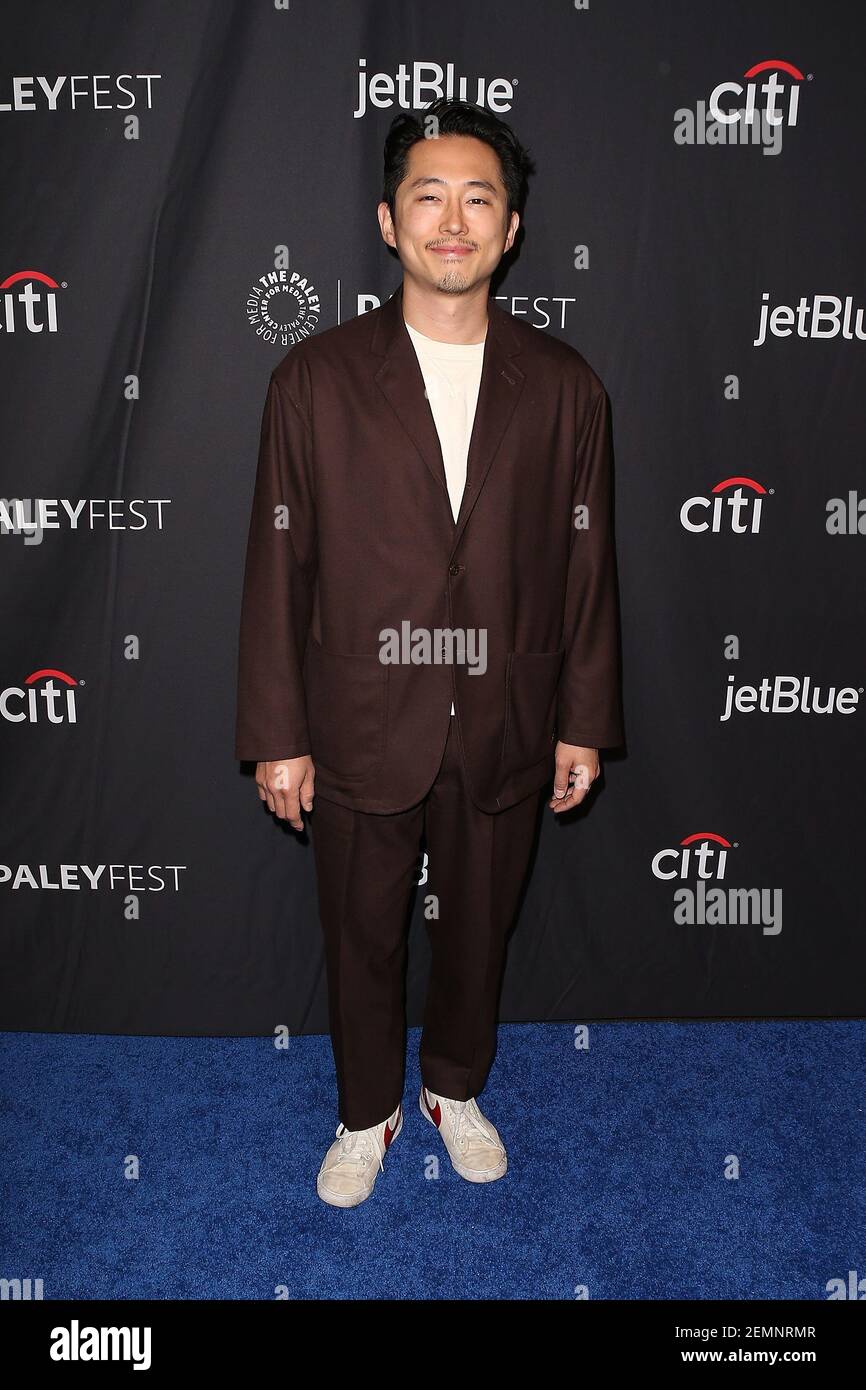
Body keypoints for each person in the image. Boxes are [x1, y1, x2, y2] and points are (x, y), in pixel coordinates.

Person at [234, 98, 625, 1208]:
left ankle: (453, 1085)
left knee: (479, 930)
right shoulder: (309, 382)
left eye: (477, 198)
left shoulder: (565, 389)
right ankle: (368, 1108)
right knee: (358, 932)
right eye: (427, 196)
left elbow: (588, 572)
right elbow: (277, 572)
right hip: (358, 717)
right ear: (387, 221)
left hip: (506, 714)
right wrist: (277, 735)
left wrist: (582, 719)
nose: (451, 220)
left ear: (509, 230)